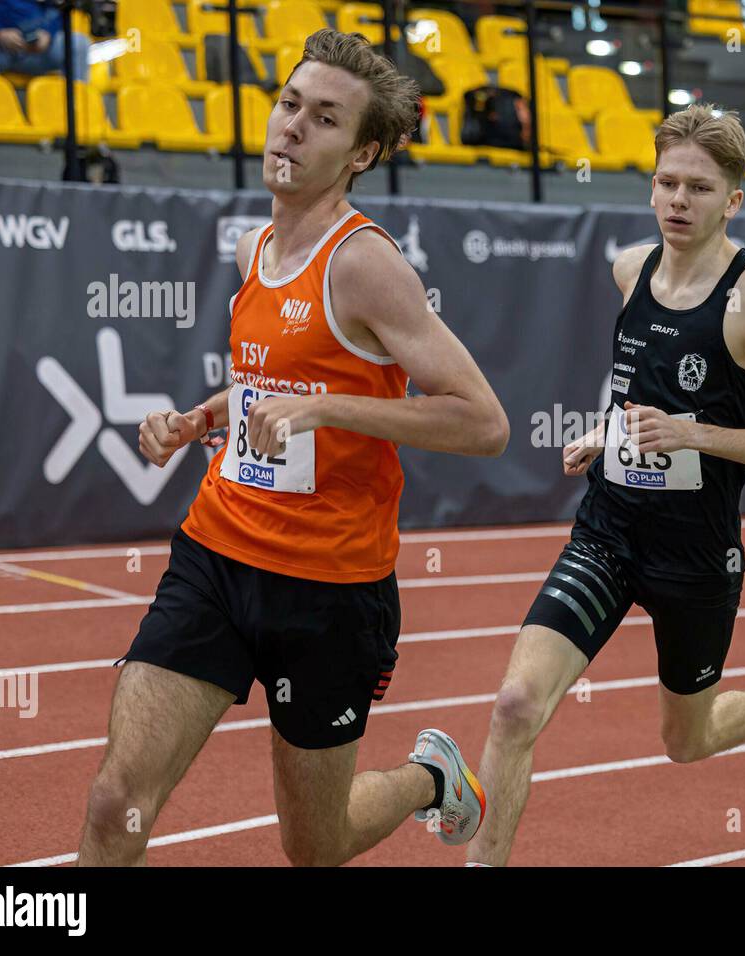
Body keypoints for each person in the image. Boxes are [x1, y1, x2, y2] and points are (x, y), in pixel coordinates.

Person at [76, 29, 510, 866]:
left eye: (323, 119)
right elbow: (265, 383)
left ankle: (432, 776)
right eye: (288, 105)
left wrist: (326, 410)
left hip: (330, 590)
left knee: (315, 846)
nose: (292, 129)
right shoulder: (255, 247)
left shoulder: (367, 266)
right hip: (217, 555)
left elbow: (483, 422)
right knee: (112, 803)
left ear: (363, 152)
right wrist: (202, 419)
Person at [465, 104, 745, 867]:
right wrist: (610, 431)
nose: (677, 201)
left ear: (733, 200)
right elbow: (637, 385)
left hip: (695, 554)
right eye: (665, 182)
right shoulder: (630, 268)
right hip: (609, 533)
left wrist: (692, 432)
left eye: (698, 188)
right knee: (513, 706)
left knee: (684, 743)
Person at [0, 0, 90, 82]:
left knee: (78, 43)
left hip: (29, 49)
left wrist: (48, 34)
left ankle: (71, 114)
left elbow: (58, 8)